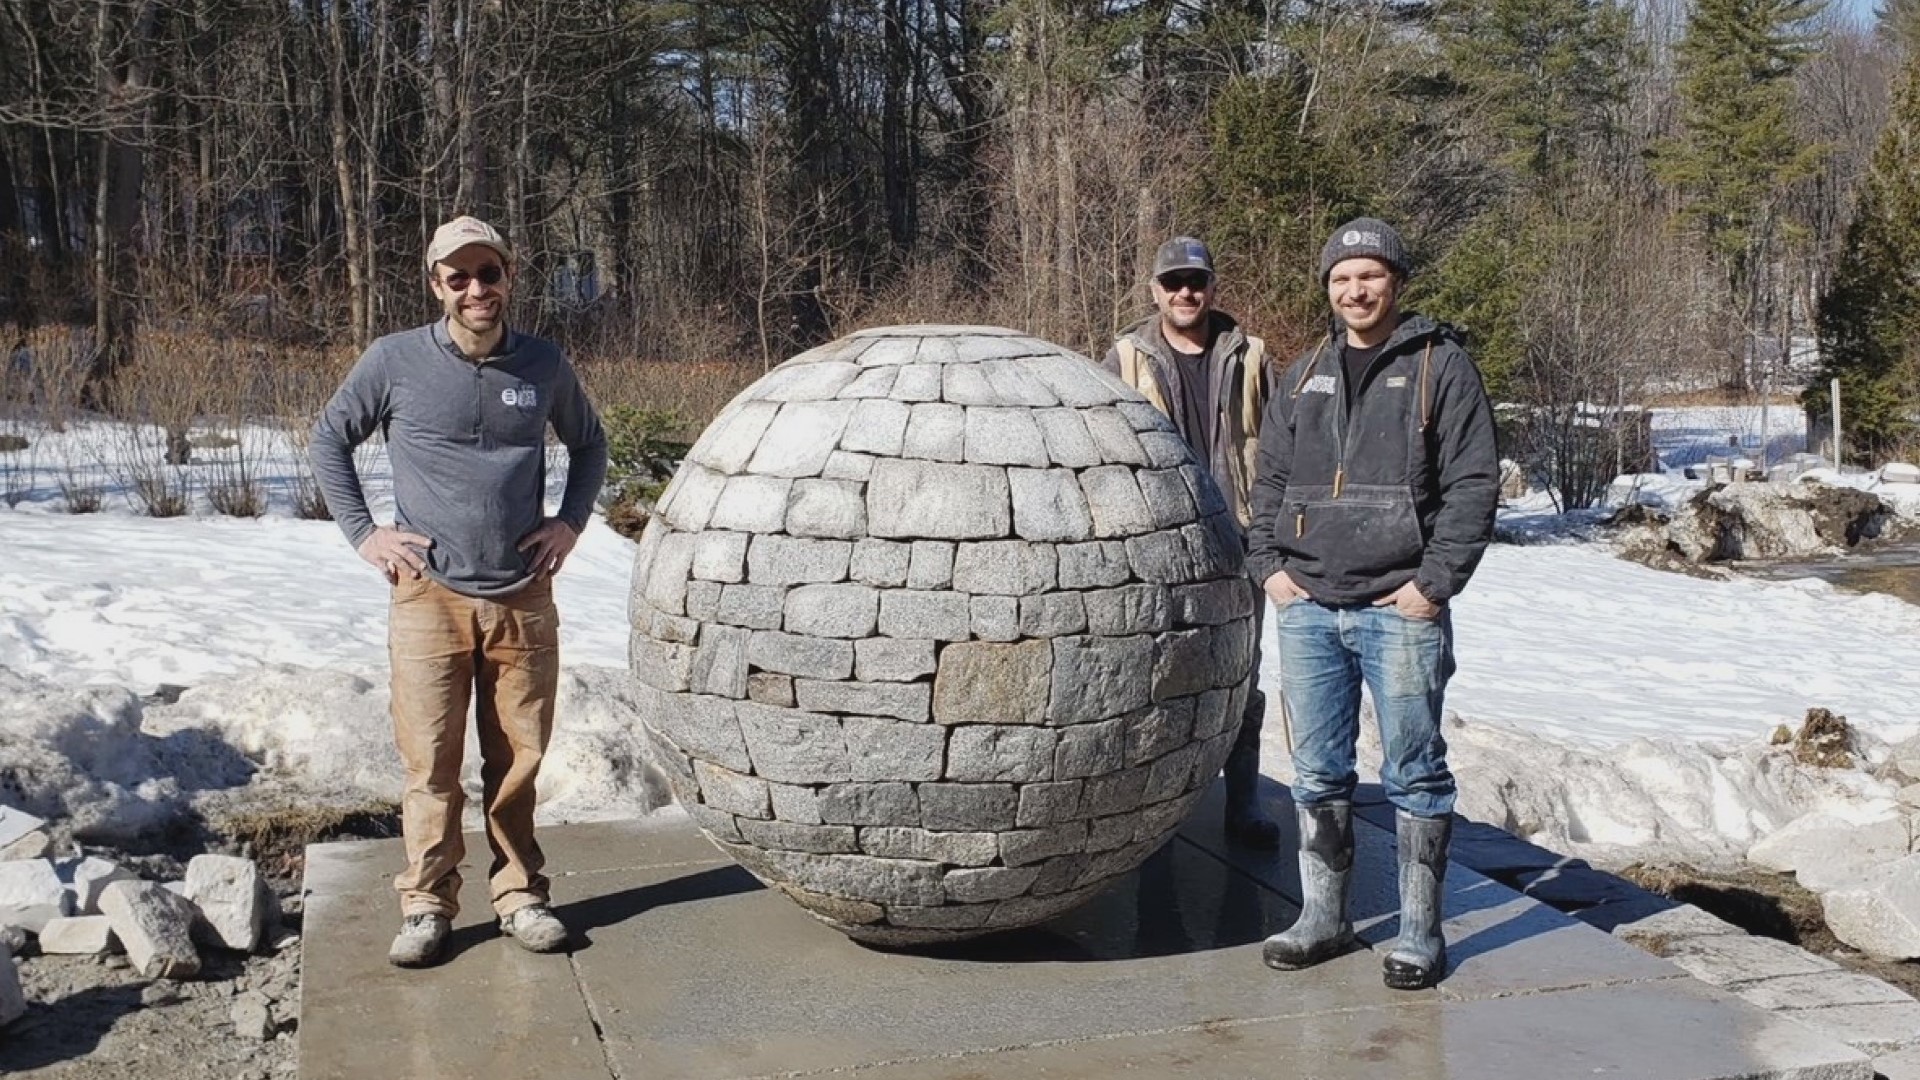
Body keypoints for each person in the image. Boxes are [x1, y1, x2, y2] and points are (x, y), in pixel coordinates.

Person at [310, 215, 609, 968]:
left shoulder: (542, 363)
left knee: (517, 760)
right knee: (431, 763)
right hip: (427, 595)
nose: (477, 289)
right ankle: (426, 905)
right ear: (436, 283)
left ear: (509, 276)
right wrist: (366, 534)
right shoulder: (395, 361)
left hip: (522, 594)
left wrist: (569, 523)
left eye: (489, 273)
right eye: (459, 277)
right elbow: (329, 439)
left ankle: (520, 895)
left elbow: (590, 442)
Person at [1247, 218, 1498, 990]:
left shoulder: (1439, 366)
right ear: (1329, 288)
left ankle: (1421, 930)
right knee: (1316, 770)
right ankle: (1323, 915)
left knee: (1415, 773)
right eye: (1341, 278)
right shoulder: (1306, 370)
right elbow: (1269, 479)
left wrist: (1433, 586)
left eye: (1370, 276)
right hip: (1310, 607)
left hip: (1400, 610)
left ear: (1396, 281)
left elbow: (1473, 485)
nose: (1356, 291)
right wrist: (1270, 569)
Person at [1102, 236, 1281, 849]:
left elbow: (1277, 449)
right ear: (1154, 289)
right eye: (1173, 281)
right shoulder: (1125, 357)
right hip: (1161, 549)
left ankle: (1244, 802)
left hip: (1239, 539)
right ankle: (1161, 812)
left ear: (1212, 287)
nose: (1186, 292)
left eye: (1196, 281)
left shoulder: (1251, 355)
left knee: (1241, 675)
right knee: (1162, 678)